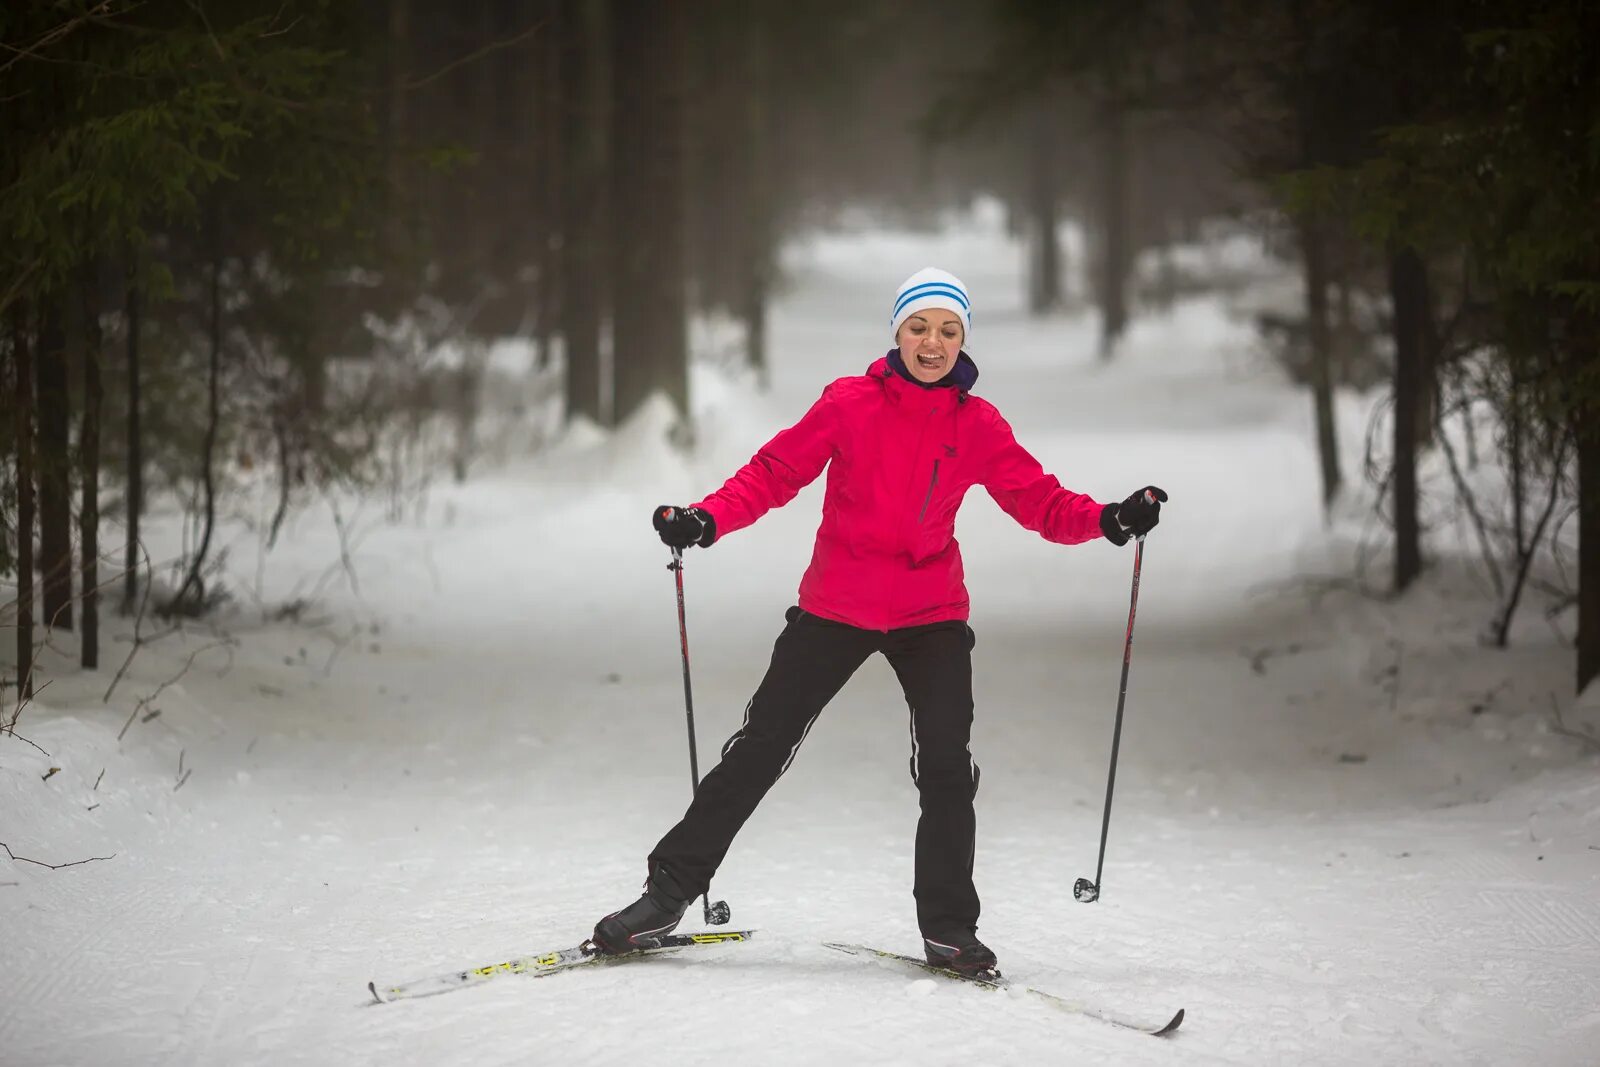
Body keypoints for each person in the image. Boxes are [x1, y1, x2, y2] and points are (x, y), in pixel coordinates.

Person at [591, 267, 1167, 976]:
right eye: (920, 327)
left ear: (962, 342)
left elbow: (1039, 500)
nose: (934, 342)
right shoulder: (849, 403)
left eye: (949, 330)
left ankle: (949, 928)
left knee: (948, 767)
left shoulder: (976, 423)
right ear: (897, 333)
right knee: (760, 747)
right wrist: (706, 518)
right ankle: (667, 893)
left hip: (931, 614)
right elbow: (775, 472)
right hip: (836, 603)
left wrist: (1110, 519)